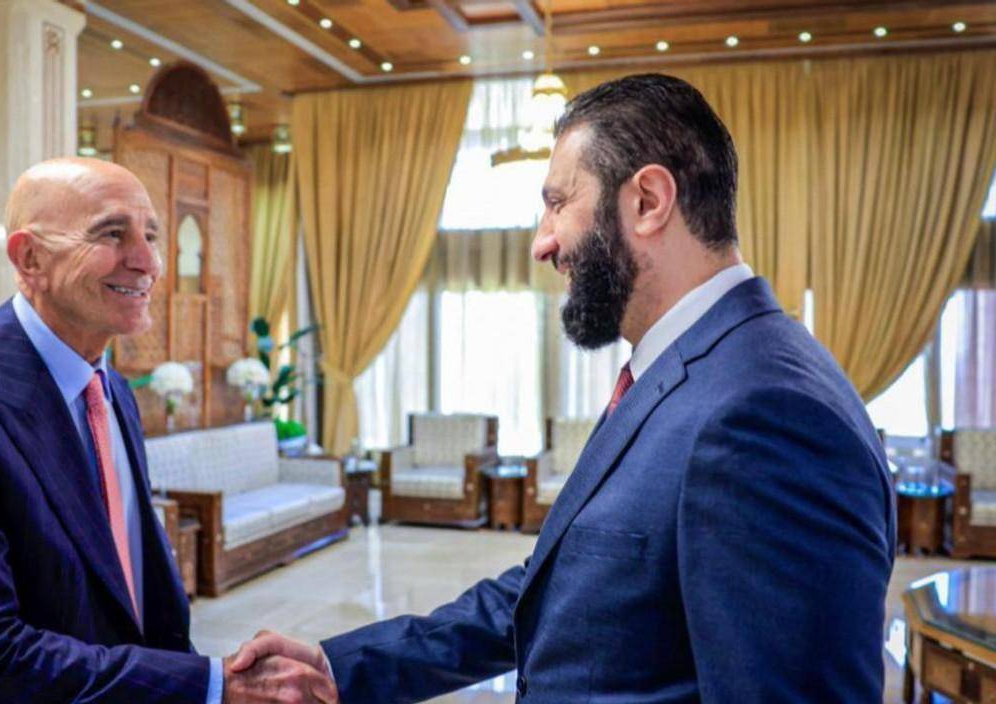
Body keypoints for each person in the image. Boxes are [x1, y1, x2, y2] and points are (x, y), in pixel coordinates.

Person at [229, 74, 896, 702]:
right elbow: (564, 591)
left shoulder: (768, 415)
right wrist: (342, 666)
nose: (541, 244)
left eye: (556, 203)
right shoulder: (681, 370)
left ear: (647, 201)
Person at [0, 157, 333, 703]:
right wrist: (211, 687)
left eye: (151, 236)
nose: (148, 262)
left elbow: (130, 596)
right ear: (30, 258)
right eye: (112, 233)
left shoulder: (112, 392)